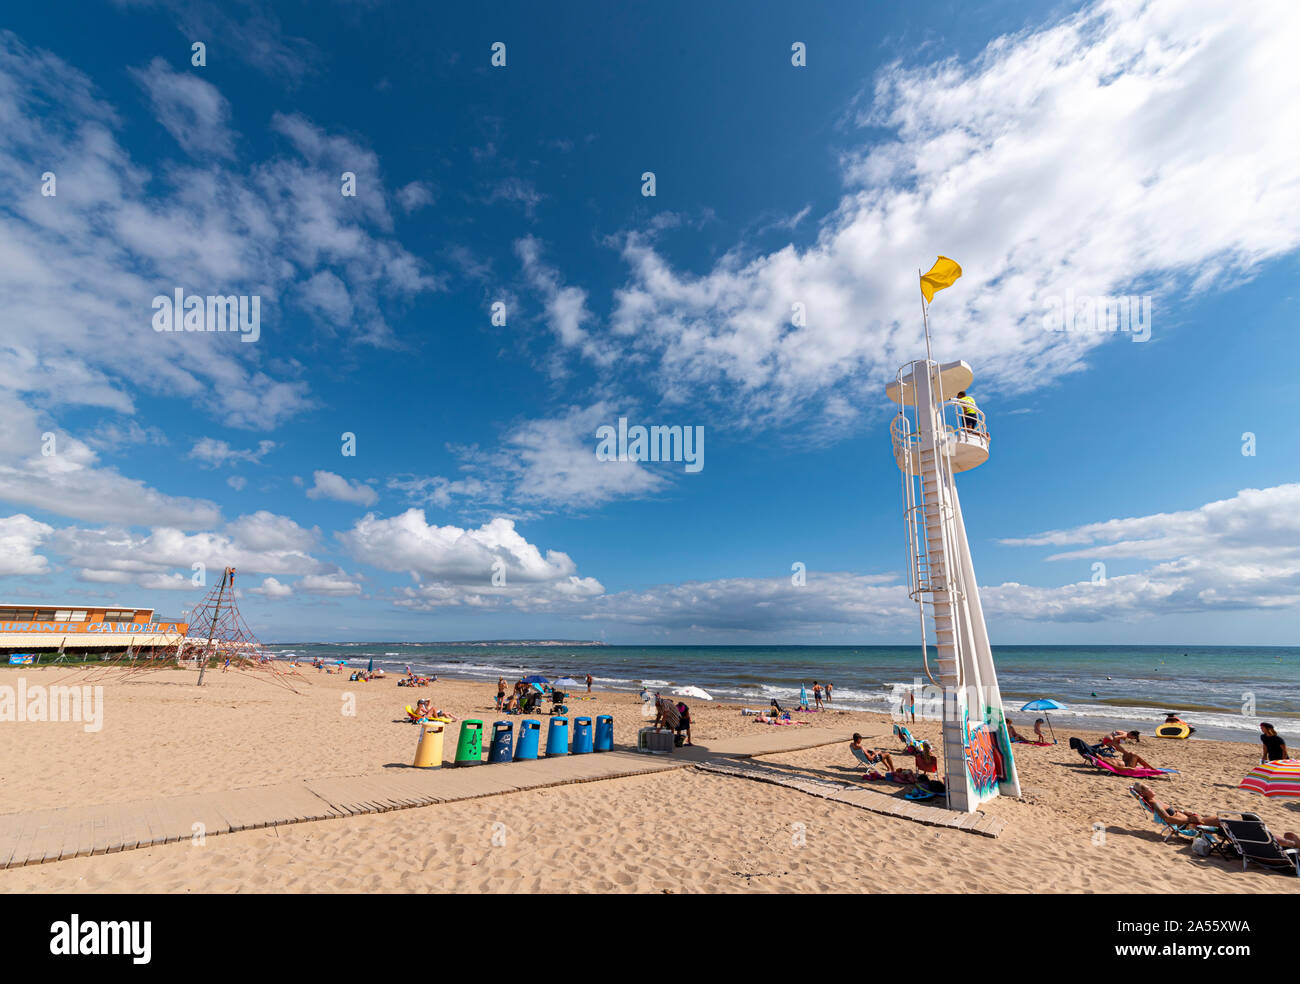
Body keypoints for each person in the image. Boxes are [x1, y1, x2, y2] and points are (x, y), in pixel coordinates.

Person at [1131, 783, 1222, 829]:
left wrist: (1183, 812)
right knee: (1218, 820)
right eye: (1149, 789)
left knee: (1220, 822)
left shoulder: (1155, 801)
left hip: (1188, 821)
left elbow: (1171, 812)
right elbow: (1168, 819)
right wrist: (1189, 820)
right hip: (1188, 826)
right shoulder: (1155, 804)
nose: (1152, 789)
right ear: (1144, 793)